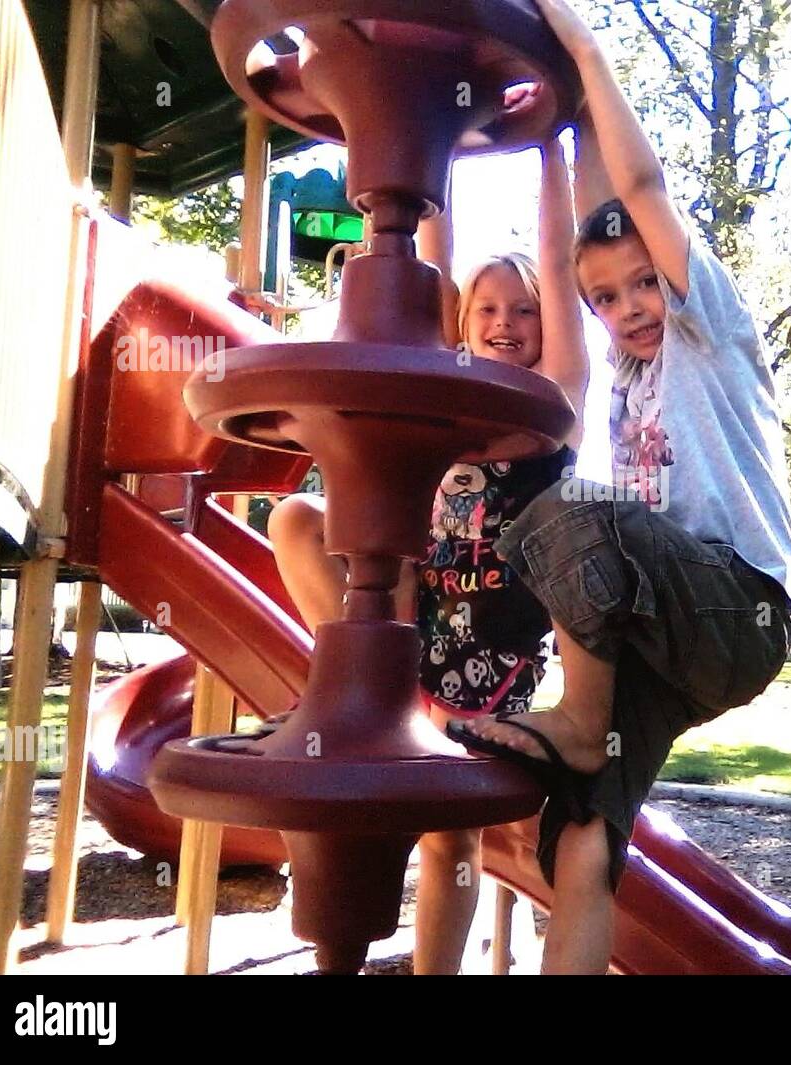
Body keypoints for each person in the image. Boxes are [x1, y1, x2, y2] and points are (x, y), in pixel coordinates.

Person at [446, 0, 791, 974]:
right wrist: (554, 135)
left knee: (566, 509)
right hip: (672, 636)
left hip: (742, 606)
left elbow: (635, 186)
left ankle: (575, 721)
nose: (626, 307)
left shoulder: (707, 332)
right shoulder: (621, 381)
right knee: (579, 832)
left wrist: (581, 51)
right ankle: (582, 744)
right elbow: (582, 235)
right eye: (605, 298)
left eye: (642, 283)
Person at [267, 139, 587, 974]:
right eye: (487, 309)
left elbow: (557, 259)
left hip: (497, 665)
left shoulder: (553, 404)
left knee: (452, 845)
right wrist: (420, 142)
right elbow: (432, 254)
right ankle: (361, 674)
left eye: (522, 311)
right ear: (460, 322)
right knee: (298, 518)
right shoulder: (438, 400)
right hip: (414, 630)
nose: (505, 323)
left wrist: (555, 148)